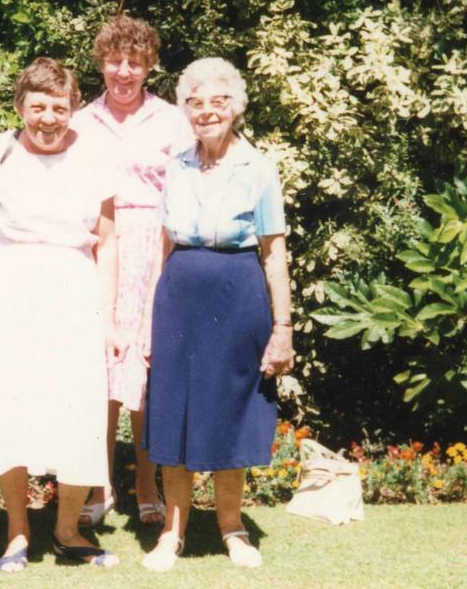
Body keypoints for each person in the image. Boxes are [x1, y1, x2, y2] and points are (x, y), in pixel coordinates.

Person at [0, 57, 121, 572]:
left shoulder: (96, 156)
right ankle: (17, 532)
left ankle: (67, 530)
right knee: (9, 413)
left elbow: (107, 241)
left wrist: (108, 317)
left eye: (58, 108)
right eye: (37, 107)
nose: (47, 118)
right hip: (5, 297)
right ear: (20, 107)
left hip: (73, 293)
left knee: (77, 413)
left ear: (73, 109)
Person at [139, 57, 294, 572]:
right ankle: (172, 532)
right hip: (179, 296)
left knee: (230, 411)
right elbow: (163, 243)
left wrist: (283, 328)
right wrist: (146, 319)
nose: (207, 112)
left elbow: (273, 251)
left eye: (218, 101)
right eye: (196, 102)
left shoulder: (259, 167)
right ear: (186, 110)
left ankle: (232, 527)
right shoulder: (176, 164)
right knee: (176, 413)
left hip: (237, 295)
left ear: (236, 107)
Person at [71, 15, 194, 527]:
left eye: (135, 62)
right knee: (98, 368)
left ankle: (146, 483)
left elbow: (186, 192)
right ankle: (99, 487)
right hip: (96, 246)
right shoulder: (80, 121)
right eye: (116, 61)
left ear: (150, 65)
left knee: (147, 365)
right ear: (101, 62)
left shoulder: (171, 120)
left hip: (154, 247)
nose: (125, 71)